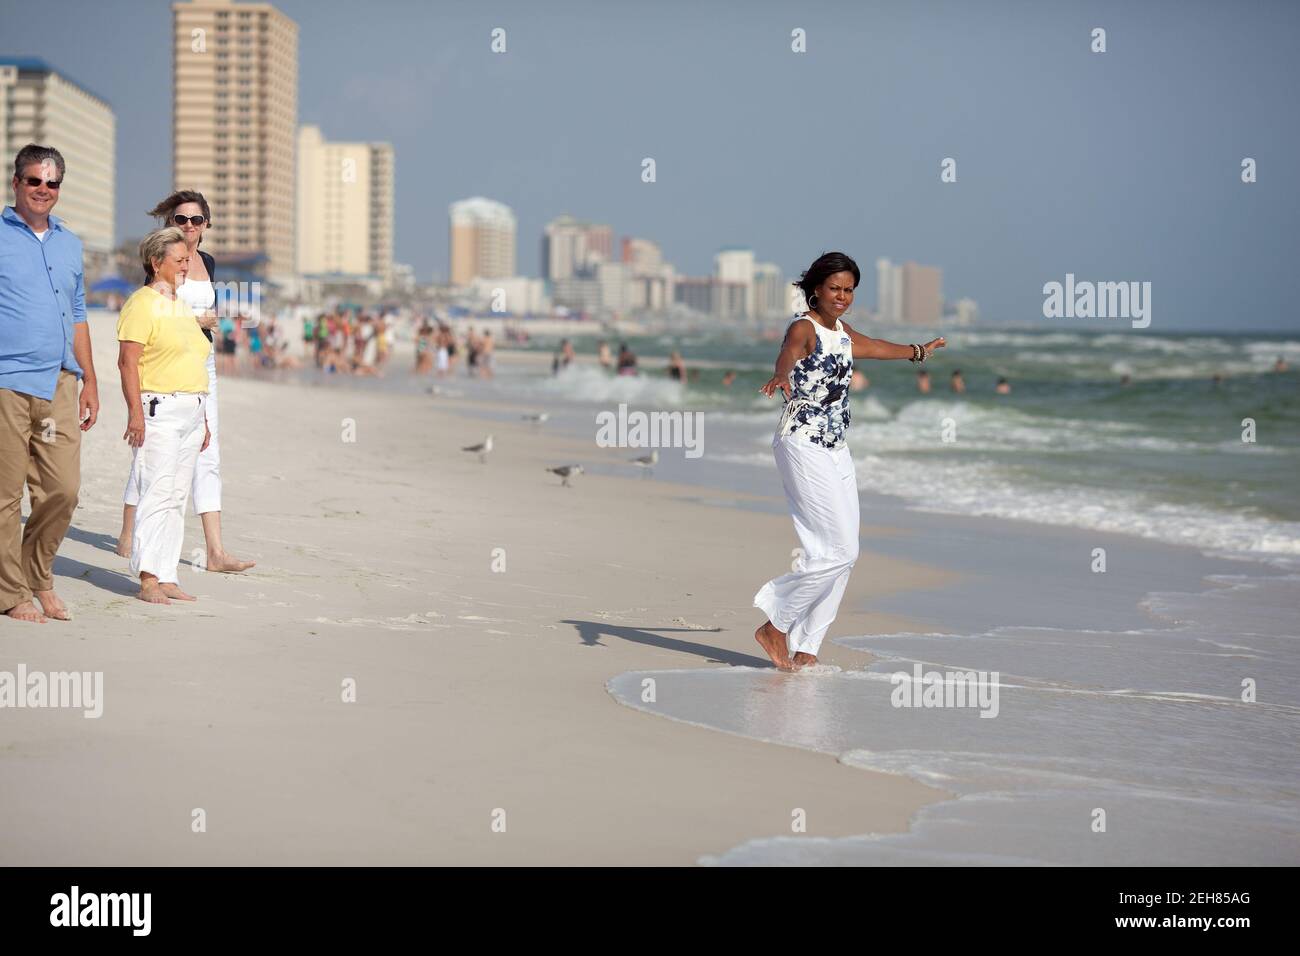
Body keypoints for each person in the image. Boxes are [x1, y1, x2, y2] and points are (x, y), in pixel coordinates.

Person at [753, 252, 944, 670]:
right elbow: (788, 352)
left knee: (844, 551)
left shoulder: (839, 330)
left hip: (836, 447)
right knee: (839, 550)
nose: (842, 297)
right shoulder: (804, 327)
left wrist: (917, 352)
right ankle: (776, 626)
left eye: (849, 290)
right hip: (802, 442)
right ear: (816, 288)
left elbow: (872, 346)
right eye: (835, 288)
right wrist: (783, 373)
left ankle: (807, 648)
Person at [116, 191, 253, 574]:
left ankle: (215, 551)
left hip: (201, 363)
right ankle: (129, 532)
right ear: (170, 224)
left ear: (206, 225)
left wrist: (211, 322)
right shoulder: (163, 259)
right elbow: (155, 312)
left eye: (196, 220)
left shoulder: (208, 262)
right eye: (181, 219)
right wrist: (196, 321)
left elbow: (205, 311)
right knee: (152, 451)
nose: (189, 226)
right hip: (163, 365)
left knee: (208, 453)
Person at [0, 144, 99, 623]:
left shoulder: (69, 243)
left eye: (52, 183)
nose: (43, 190)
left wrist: (90, 381)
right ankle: (13, 591)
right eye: (34, 181)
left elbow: (78, 314)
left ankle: (36, 574)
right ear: (16, 182)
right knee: (6, 494)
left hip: (60, 382)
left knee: (63, 489)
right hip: (7, 382)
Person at [117, 228, 213, 604]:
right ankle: (148, 577)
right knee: (156, 493)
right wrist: (135, 415)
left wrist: (203, 418)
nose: (187, 266)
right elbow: (127, 362)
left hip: (192, 409)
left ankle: (168, 573)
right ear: (157, 263)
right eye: (179, 261)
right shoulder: (141, 303)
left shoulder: (181, 304)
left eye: (188, 260)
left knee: (176, 496)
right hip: (158, 409)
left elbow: (192, 360)